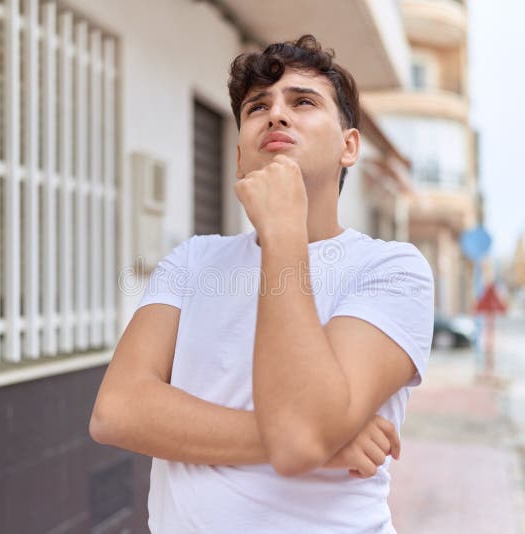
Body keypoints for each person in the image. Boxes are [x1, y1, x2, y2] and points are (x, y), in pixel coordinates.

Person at [90, 35, 435, 533]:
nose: (276, 114)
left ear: (348, 145)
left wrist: (284, 235)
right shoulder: (193, 260)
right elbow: (116, 411)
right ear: (237, 157)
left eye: (303, 102)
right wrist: (324, 440)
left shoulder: (392, 269)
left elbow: (298, 437)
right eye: (257, 106)